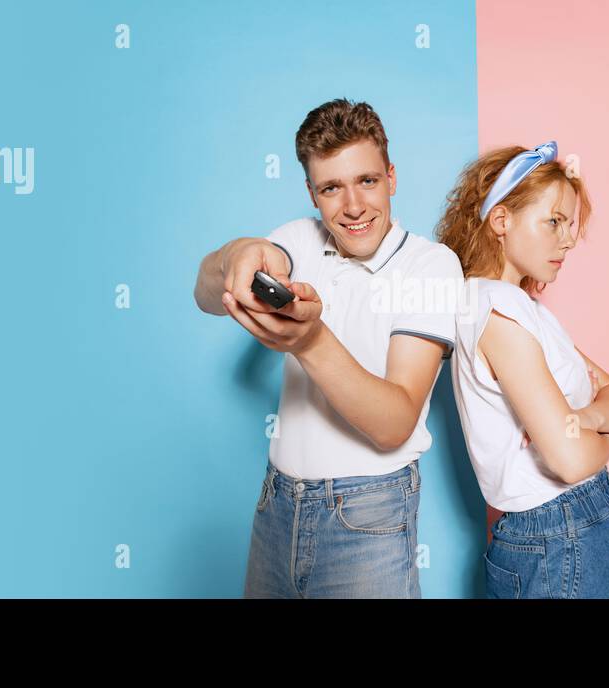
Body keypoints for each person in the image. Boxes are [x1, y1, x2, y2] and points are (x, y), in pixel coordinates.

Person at [193, 99, 462, 598]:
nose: (354, 206)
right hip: (277, 506)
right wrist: (236, 254)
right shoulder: (299, 240)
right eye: (331, 188)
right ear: (311, 192)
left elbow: (395, 421)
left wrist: (312, 340)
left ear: (392, 177)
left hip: (369, 518)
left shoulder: (430, 266)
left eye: (368, 181)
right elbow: (205, 292)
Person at [438, 141, 609, 598]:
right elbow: (569, 461)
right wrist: (604, 437)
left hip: (583, 527)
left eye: (570, 225)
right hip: (561, 533)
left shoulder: (524, 309)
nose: (568, 239)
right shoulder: (497, 307)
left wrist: (586, 420)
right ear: (501, 220)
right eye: (554, 222)